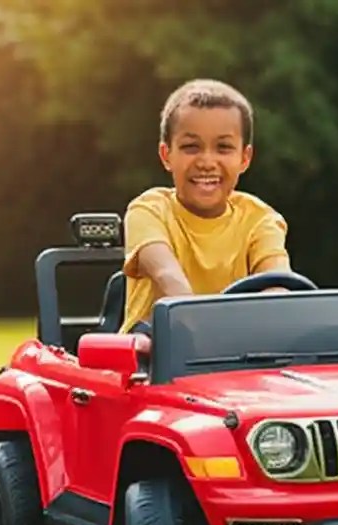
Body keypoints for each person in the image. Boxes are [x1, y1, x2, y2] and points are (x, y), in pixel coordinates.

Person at [120, 78, 292, 334]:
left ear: (245, 158)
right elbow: (168, 277)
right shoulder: (149, 210)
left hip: (235, 352)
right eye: (191, 147)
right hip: (153, 354)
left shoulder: (260, 220)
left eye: (223, 148)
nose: (207, 162)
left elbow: (278, 285)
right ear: (166, 155)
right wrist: (209, 330)